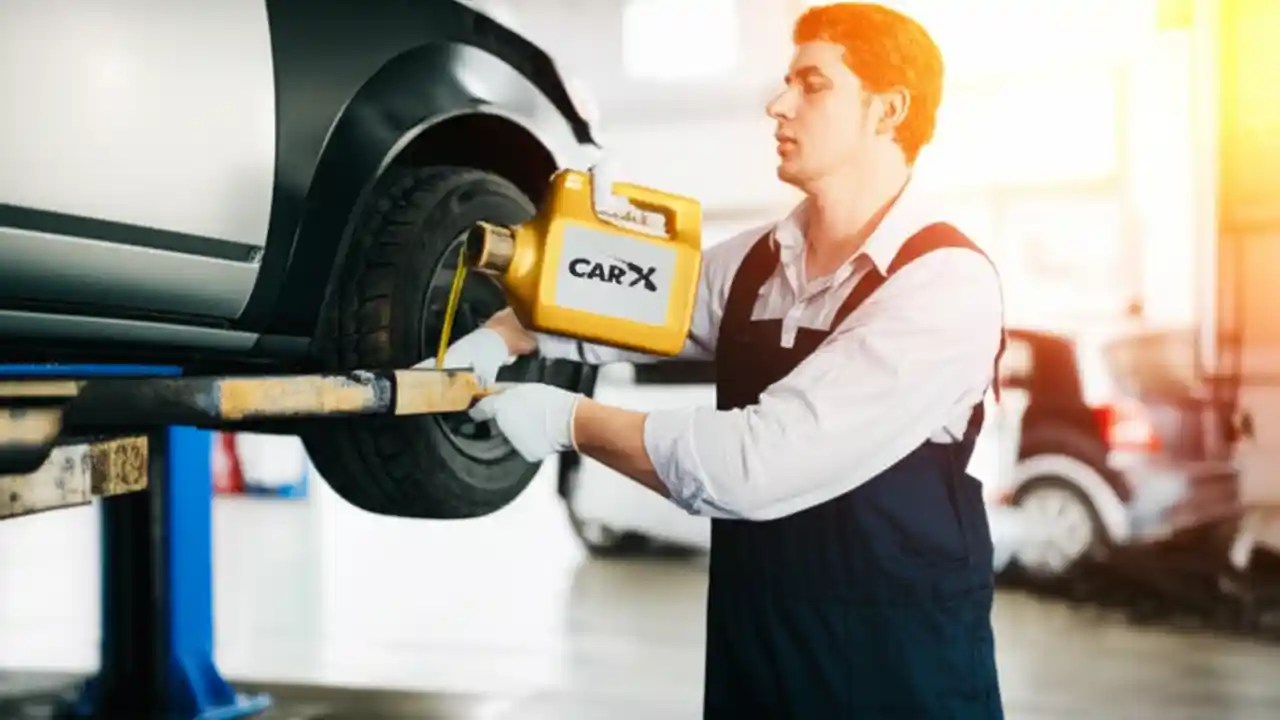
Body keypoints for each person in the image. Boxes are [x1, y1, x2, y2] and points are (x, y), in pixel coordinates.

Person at [429, 3, 1005, 717]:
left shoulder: (943, 285)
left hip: (898, 676)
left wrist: (568, 421)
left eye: (812, 84)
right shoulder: (755, 264)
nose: (777, 104)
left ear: (888, 111)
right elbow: (622, 311)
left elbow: (752, 466)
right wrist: (506, 334)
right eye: (784, 82)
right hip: (758, 658)